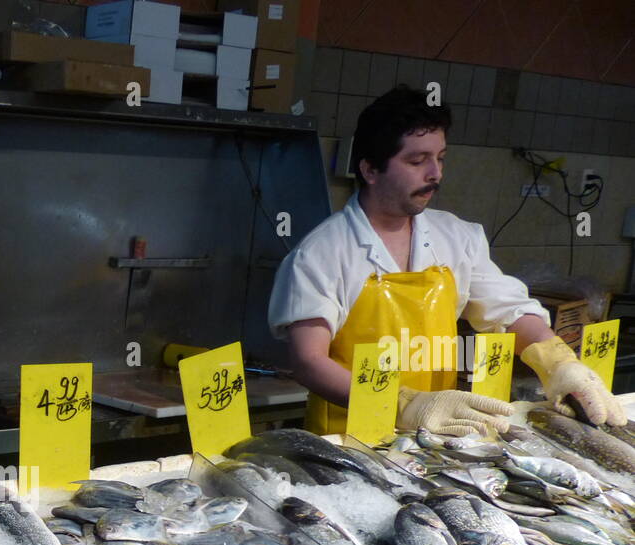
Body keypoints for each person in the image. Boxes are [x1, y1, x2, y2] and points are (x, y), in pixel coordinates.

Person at [268, 86, 625, 437]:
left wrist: (559, 364)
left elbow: (510, 309)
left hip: (434, 439)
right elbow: (308, 360)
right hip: (350, 443)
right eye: (417, 160)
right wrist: (404, 404)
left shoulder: (456, 237)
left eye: (440, 158)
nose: (435, 174)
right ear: (370, 169)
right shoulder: (320, 254)